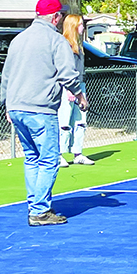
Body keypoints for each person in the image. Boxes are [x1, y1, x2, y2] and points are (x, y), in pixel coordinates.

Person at [0, 0, 88, 226]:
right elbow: (68, 74)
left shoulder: (18, 40)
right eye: (60, 14)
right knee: (49, 159)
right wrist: (79, 94)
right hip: (40, 109)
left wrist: (7, 104)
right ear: (55, 16)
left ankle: (36, 205)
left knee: (32, 158)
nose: (61, 19)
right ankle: (40, 210)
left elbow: (6, 75)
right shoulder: (56, 40)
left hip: (17, 108)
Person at [58, 14, 94, 167]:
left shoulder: (79, 46)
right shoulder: (64, 45)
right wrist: (69, 90)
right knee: (64, 123)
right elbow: (64, 70)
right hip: (68, 89)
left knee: (80, 121)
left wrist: (79, 92)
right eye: (80, 24)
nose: (83, 27)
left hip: (80, 87)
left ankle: (77, 153)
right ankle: (58, 154)